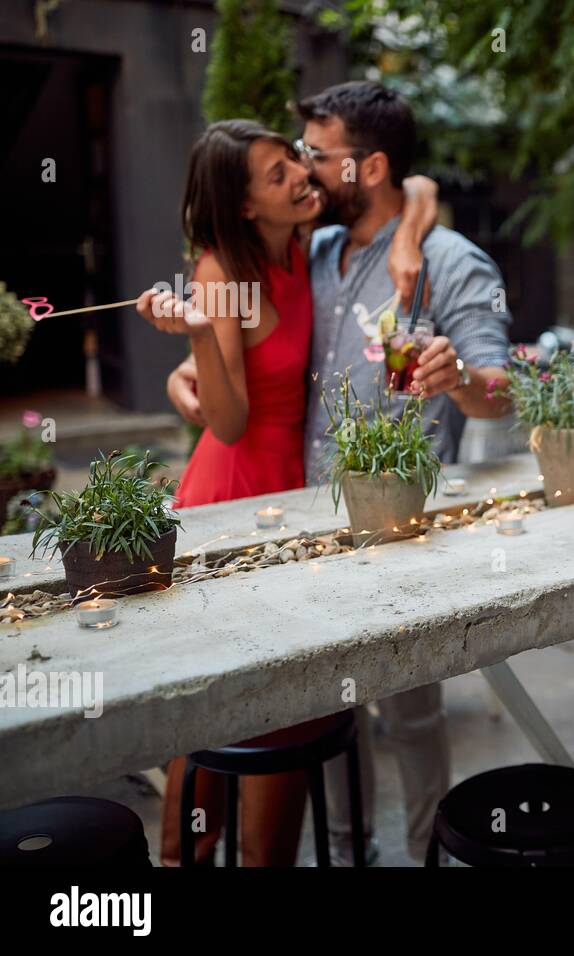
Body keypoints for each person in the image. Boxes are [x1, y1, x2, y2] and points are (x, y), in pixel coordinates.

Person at [166, 82, 513, 865]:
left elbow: (502, 389)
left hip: (398, 526)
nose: (305, 170)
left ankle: (425, 855)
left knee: (410, 713)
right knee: (325, 710)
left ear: (371, 167)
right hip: (302, 520)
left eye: (316, 156)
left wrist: (459, 377)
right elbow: (241, 343)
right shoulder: (313, 250)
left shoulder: (451, 263)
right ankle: (345, 853)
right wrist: (186, 368)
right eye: (295, 158)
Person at [137, 118, 438, 865]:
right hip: (230, 493)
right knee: (206, 702)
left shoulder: (307, 247)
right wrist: (199, 339)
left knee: (285, 699)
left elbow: (420, 185)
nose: (303, 176)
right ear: (245, 206)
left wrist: (407, 238)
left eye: (297, 161)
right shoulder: (221, 273)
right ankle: (181, 859)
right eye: (279, 175)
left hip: (296, 492)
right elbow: (229, 422)